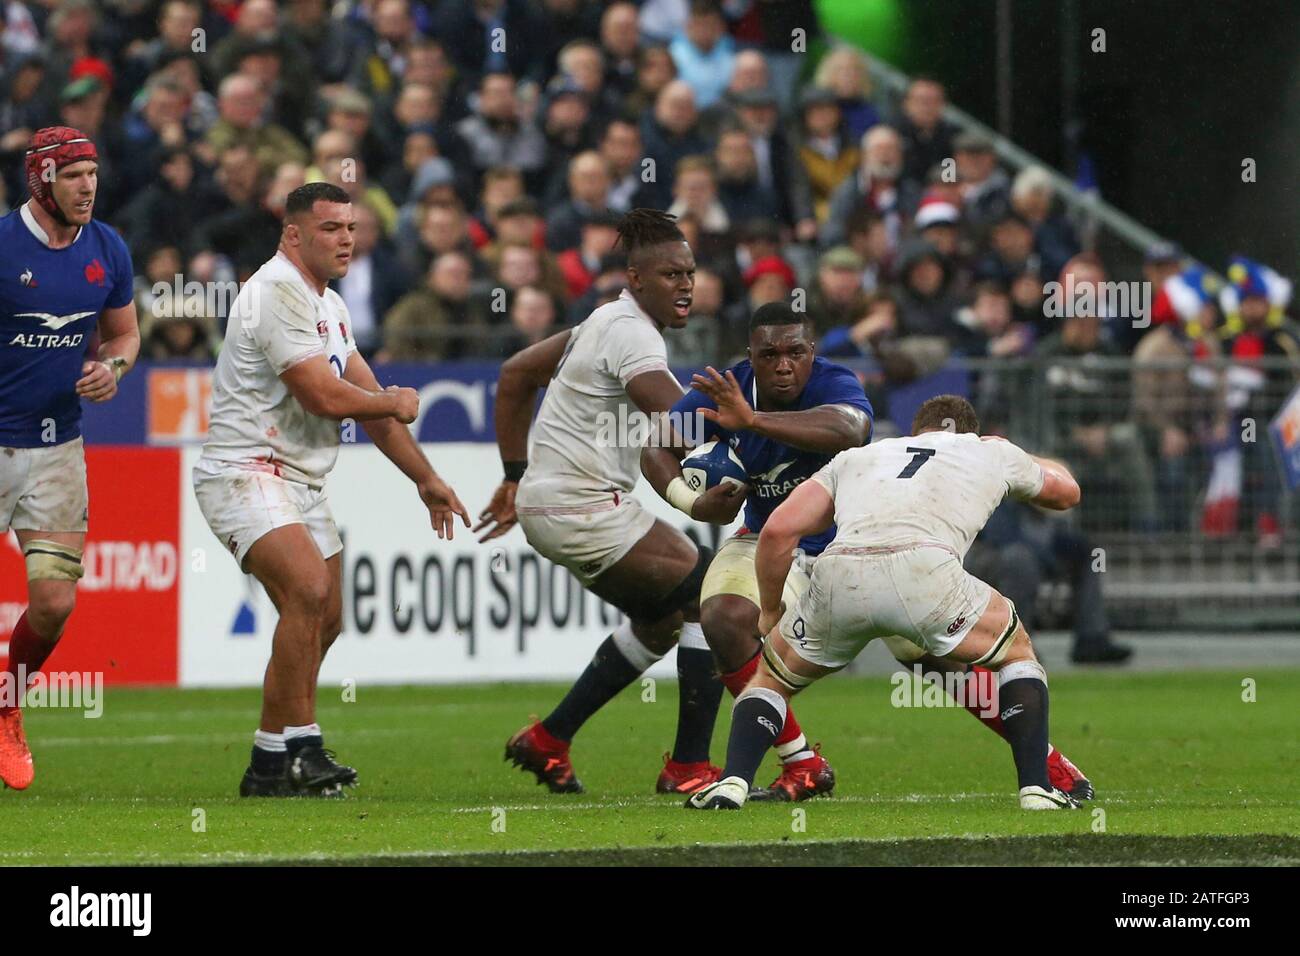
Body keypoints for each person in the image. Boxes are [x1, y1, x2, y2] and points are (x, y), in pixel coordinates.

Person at [192, 182, 469, 798]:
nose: (346, 238)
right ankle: (305, 748)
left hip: (300, 479)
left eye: (350, 227)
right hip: (246, 470)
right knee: (309, 591)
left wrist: (425, 478)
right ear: (293, 234)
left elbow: (370, 410)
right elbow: (323, 395)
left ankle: (268, 763)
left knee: (328, 617)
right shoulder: (273, 293)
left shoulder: (331, 305)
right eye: (330, 228)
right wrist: (390, 400)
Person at [688, 395, 1092, 811]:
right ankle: (1037, 789)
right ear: (969, 432)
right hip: (924, 569)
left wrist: (771, 610)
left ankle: (732, 783)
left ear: (916, 431)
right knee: (1016, 653)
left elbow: (777, 531)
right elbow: (1067, 493)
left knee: (771, 681)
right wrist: (1012, 453)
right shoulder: (989, 450)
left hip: (841, 571)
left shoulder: (859, 457)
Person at [476, 208, 737, 795]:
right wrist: (756, 429)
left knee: (662, 619)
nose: (686, 285)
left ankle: (549, 739)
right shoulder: (630, 331)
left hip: (561, 502)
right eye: (671, 274)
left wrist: (516, 476)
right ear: (636, 278)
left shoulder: (603, 320)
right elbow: (678, 422)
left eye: (690, 273)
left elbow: (516, 373)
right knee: (709, 593)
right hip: (580, 505)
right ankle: (689, 768)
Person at [641, 302, 873, 800]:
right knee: (721, 618)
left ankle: (1045, 763)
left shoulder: (834, 382)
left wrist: (752, 422)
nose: (784, 363)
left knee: (936, 653)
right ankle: (801, 761)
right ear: (751, 355)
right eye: (770, 353)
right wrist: (694, 502)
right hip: (770, 542)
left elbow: (851, 430)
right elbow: (655, 448)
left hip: (853, 546)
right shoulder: (725, 388)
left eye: (795, 352)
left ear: (813, 353)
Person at [0, 127, 140, 791]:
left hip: (59, 449)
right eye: (73, 174)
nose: (88, 185)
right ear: (41, 179)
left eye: (93, 172)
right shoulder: (2, 247)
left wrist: (113, 368)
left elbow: (124, 333)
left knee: (54, 605)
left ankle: (7, 708)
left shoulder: (107, 248)